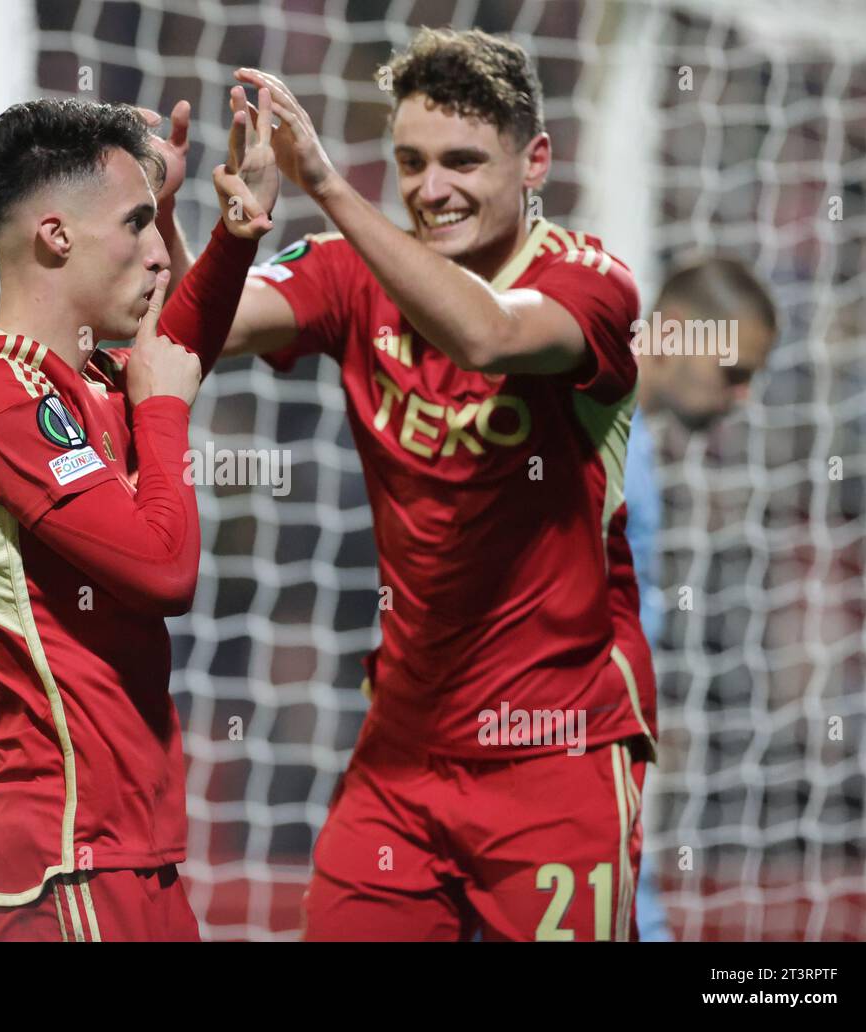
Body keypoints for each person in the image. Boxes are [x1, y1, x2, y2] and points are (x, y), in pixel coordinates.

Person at [155, 27, 655, 940]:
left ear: (534, 159)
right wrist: (195, 231)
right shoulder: (351, 275)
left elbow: (490, 336)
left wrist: (329, 187)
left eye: (463, 161)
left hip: (557, 750)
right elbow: (199, 334)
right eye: (412, 162)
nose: (431, 190)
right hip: (402, 758)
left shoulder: (593, 284)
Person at [0, 94, 277, 941]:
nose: (158, 254)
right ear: (56, 236)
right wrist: (167, 416)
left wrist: (236, 232)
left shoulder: (65, 384)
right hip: (62, 861)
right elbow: (163, 570)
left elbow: (166, 356)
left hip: (118, 857)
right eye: (139, 224)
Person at [624, 254, 780, 941]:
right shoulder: (594, 436)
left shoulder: (635, 447)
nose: (741, 395)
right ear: (680, 332)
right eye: (734, 373)